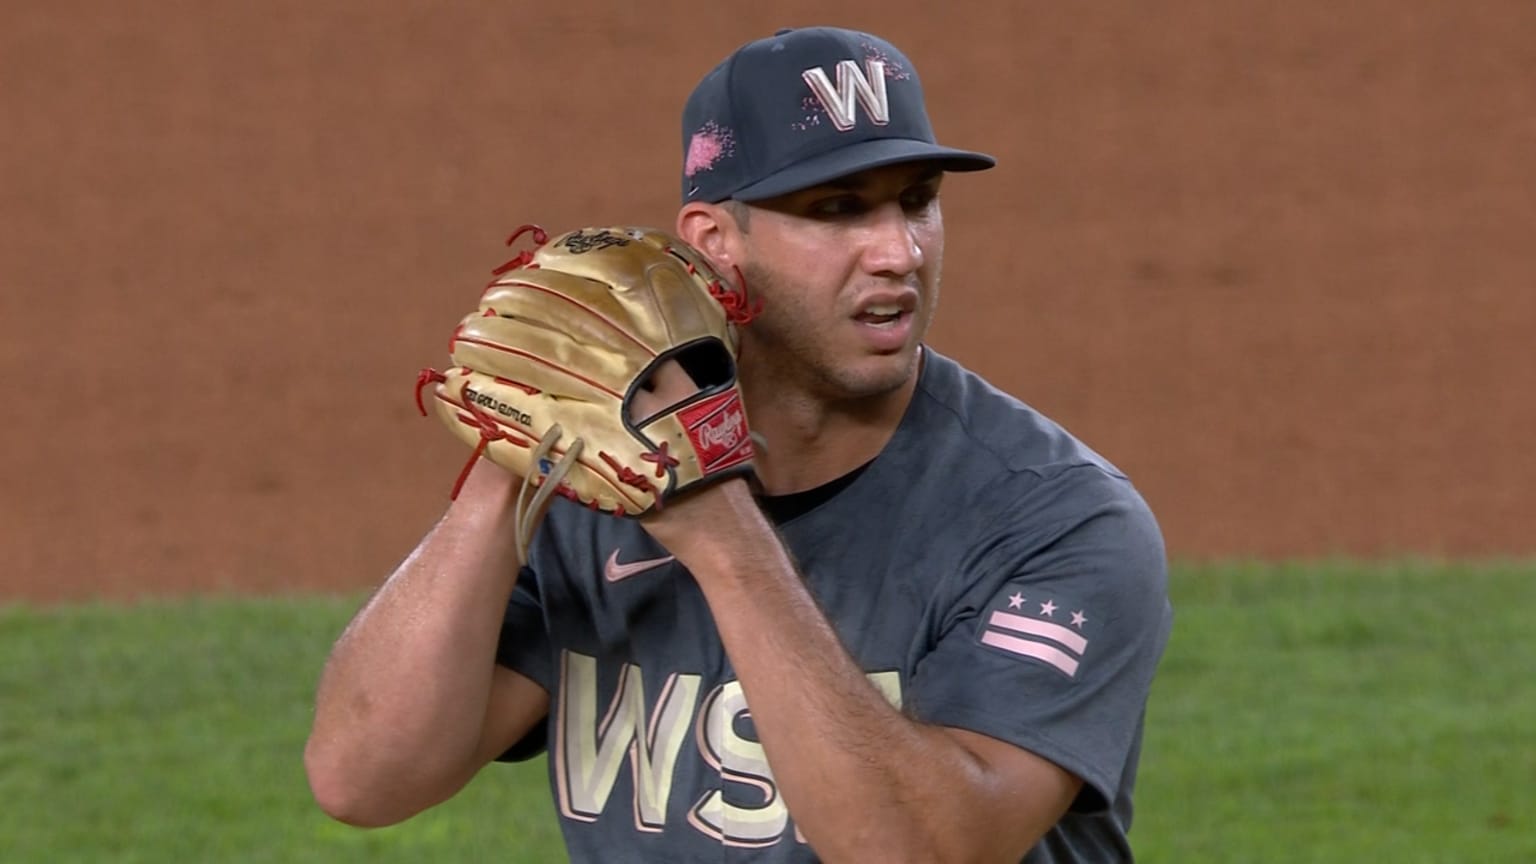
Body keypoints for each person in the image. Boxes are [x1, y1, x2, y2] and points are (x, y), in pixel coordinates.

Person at [305, 25, 1173, 864]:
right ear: (717, 244)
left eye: (916, 201)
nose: (897, 251)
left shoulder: (1055, 520)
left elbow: (926, 849)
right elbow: (362, 778)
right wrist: (511, 468)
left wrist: (717, 526)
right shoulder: (600, 478)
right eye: (836, 210)